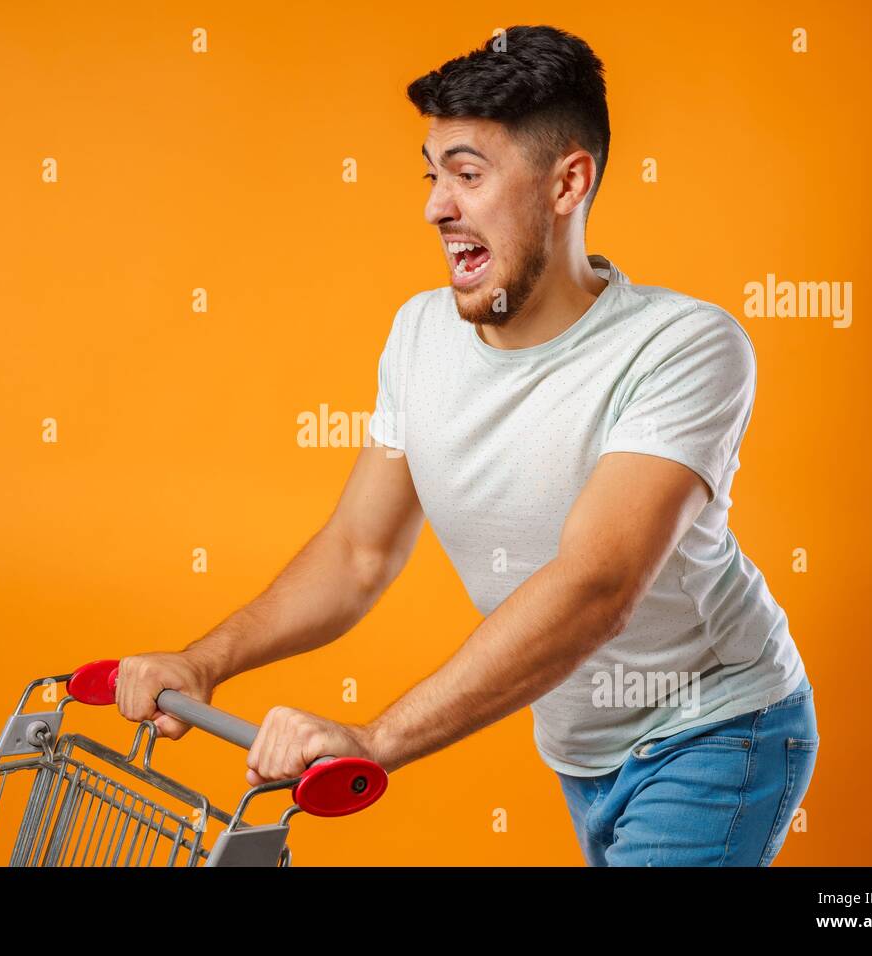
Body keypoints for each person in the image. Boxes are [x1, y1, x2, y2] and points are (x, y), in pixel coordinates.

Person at [113, 24, 818, 866]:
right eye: (432, 171)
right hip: (581, 750)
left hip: (717, 729)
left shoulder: (684, 347)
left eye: (468, 173)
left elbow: (596, 586)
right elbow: (357, 552)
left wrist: (375, 740)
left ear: (568, 183)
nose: (435, 205)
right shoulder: (419, 335)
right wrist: (202, 662)